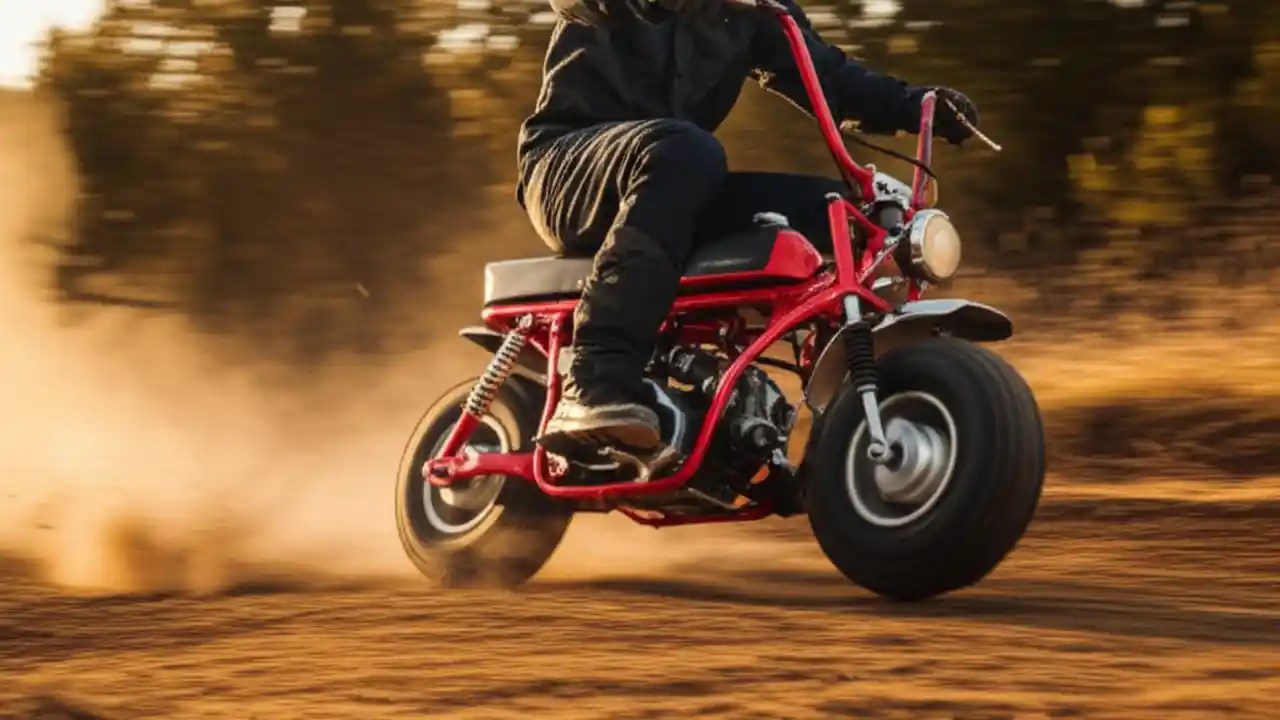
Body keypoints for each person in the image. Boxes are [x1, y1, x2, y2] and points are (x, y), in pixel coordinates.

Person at [517, 0, 978, 458]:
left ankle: (838, 426)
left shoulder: (751, 11)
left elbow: (830, 78)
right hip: (567, 169)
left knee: (857, 210)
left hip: (677, 183)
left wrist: (919, 105)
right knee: (688, 151)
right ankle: (596, 380)